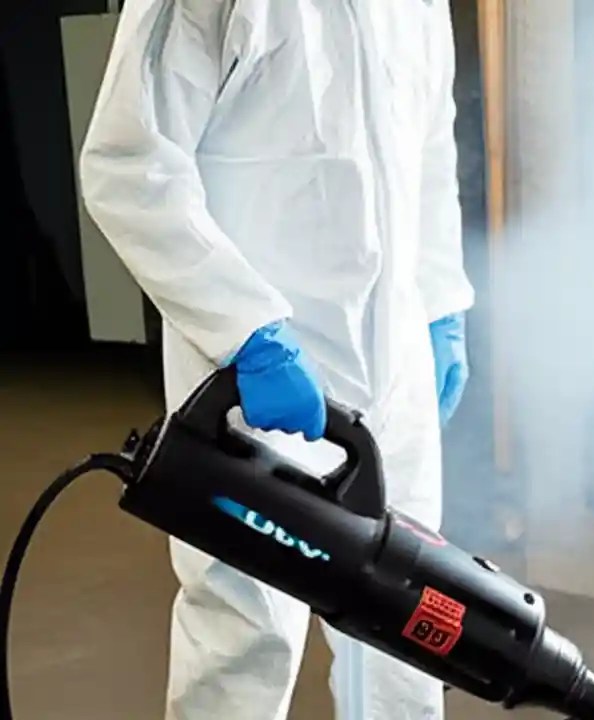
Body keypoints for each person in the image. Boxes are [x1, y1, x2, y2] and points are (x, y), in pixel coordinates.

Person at [78, 1, 474, 718]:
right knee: (247, 624)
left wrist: (442, 300)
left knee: (407, 613)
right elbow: (130, 163)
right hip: (258, 372)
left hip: (399, 361)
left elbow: (427, 150)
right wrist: (247, 331)